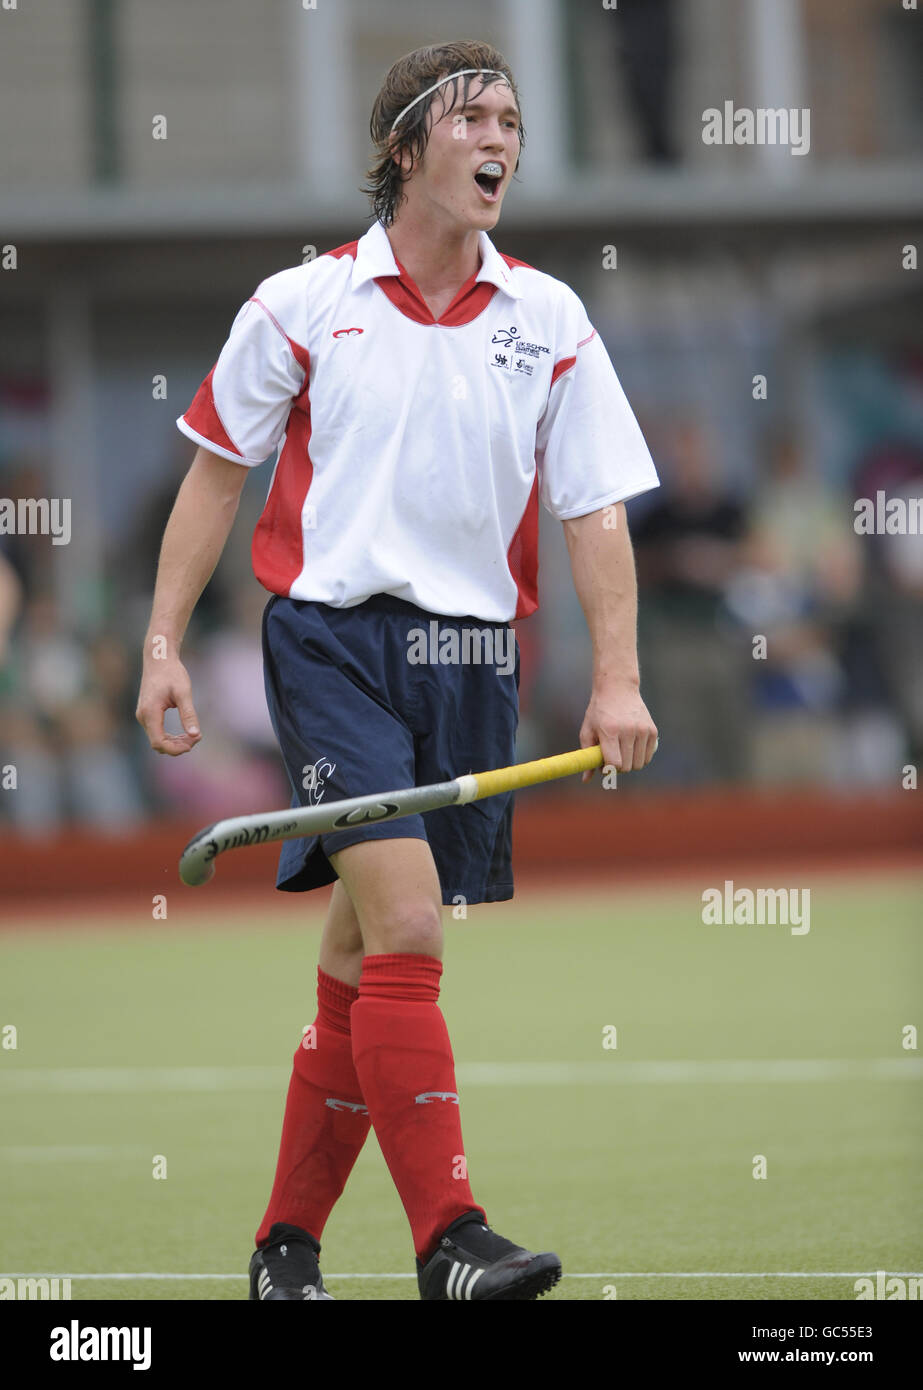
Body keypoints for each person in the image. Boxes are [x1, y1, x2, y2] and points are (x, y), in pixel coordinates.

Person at [136, 40, 659, 1301]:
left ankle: (283, 1252)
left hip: (472, 660)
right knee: (410, 923)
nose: (501, 140)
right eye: (474, 117)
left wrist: (617, 677)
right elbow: (215, 470)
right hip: (329, 645)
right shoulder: (302, 303)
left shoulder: (550, 318)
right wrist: (160, 643)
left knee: (360, 953)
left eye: (513, 121)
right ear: (404, 149)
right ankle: (450, 1241)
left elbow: (592, 510)